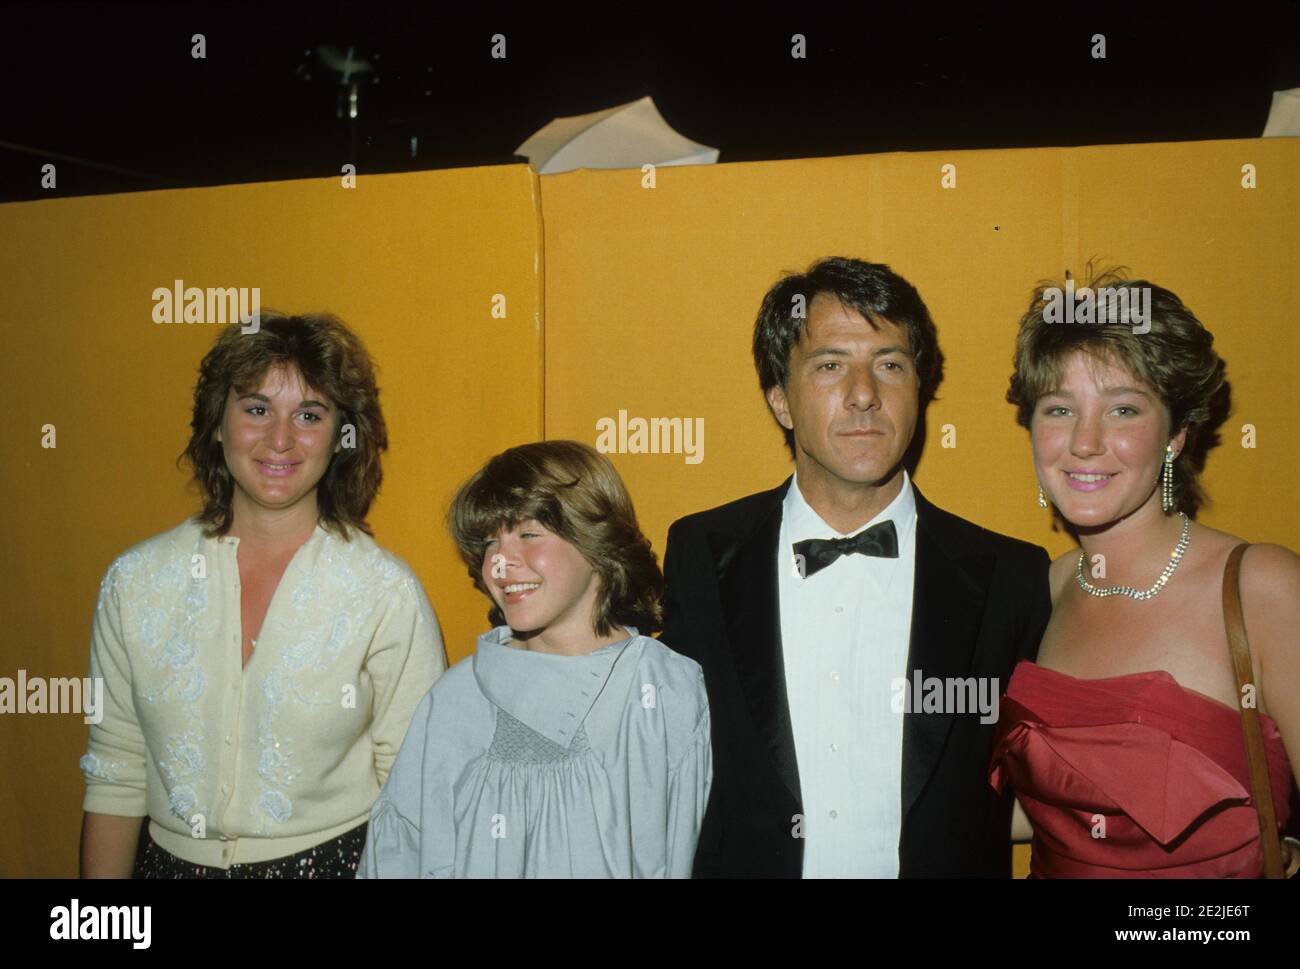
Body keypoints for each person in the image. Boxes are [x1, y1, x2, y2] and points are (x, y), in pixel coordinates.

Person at [660, 256, 1051, 877]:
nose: (865, 395)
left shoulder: (1012, 576)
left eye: (890, 365)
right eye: (830, 365)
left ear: (919, 390)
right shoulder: (700, 555)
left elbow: (1047, 788)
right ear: (780, 400)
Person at [79, 312, 446, 878]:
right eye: (256, 410)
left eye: (309, 414)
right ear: (217, 425)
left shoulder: (385, 593)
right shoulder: (135, 583)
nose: (281, 439)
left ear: (340, 436)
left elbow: (416, 798)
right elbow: (116, 771)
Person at [989, 269, 1300, 877]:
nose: (1084, 442)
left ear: (1176, 434)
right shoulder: (1045, 587)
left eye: (1123, 409)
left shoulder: (1260, 585)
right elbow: (1052, 809)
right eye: (1059, 409)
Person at [358, 440, 711, 878]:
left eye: (528, 534)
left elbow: (682, 853)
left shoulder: (663, 689)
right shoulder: (453, 700)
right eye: (490, 543)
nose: (500, 565)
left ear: (596, 540)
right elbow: (397, 858)